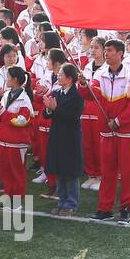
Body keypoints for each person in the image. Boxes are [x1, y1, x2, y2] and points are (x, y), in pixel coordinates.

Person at [90, 38, 130, 224]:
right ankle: (105, 208)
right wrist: (82, 85)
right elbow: (93, 94)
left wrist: (119, 121)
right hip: (106, 131)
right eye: (106, 50)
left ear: (120, 53)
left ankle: (126, 209)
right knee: (108, 172)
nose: (106, 53)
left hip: (125, 132)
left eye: (110, 50)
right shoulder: (100, 74)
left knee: (127, 172)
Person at [42, 63, 84, 216]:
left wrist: (55, 109)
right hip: (57, 135)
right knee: (59, 169)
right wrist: (48, 109)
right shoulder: (56, 92)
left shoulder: (78, 96)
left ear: (70, 78)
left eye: (61, 74)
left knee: (70, 172)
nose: (58, 76)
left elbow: (72, 116)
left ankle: (71, 203)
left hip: (70, 137)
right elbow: (46, 114)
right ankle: (61, 201)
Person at [0, 65, 33, 202]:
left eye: (8, 77)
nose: (6, 79)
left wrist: (2, 113)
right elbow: (0, 118)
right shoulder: (6, 95)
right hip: (4, 140)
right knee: (5, 171)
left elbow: (21, 121)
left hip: (17, 142)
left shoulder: (25, 100)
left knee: (17, 172)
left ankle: (17, 198)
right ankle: (8, 195)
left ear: (15, 79)